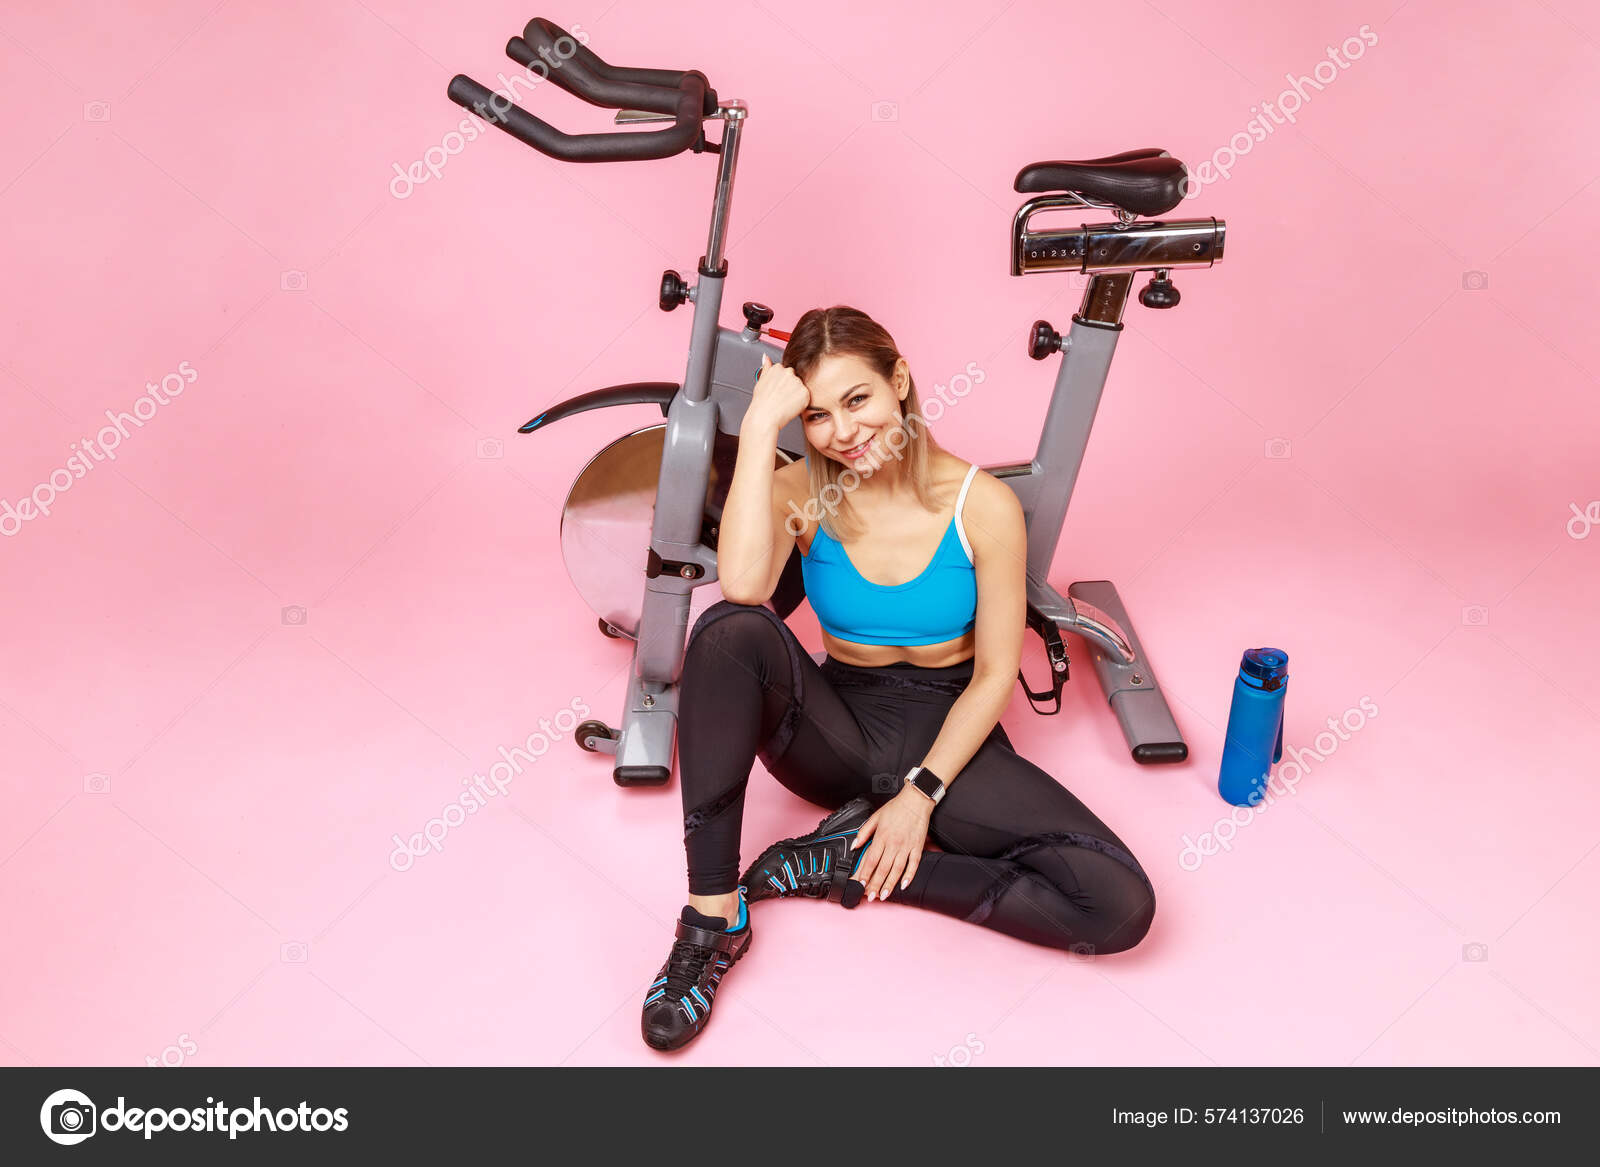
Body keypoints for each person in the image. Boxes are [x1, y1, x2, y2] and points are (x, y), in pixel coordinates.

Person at [640, 306, 1156, 1051]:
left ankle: (841, 866)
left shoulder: (982, 504)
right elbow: (746, 587)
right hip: (836, 731)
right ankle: (713, 919)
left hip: (951, 741)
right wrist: (757, 429)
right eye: (817, 415)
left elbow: (993, 677)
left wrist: (920, 796)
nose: (843, 432)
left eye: (858, 399)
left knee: (1117, 904)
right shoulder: (798, 490)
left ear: (900, 381)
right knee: (727, 629)